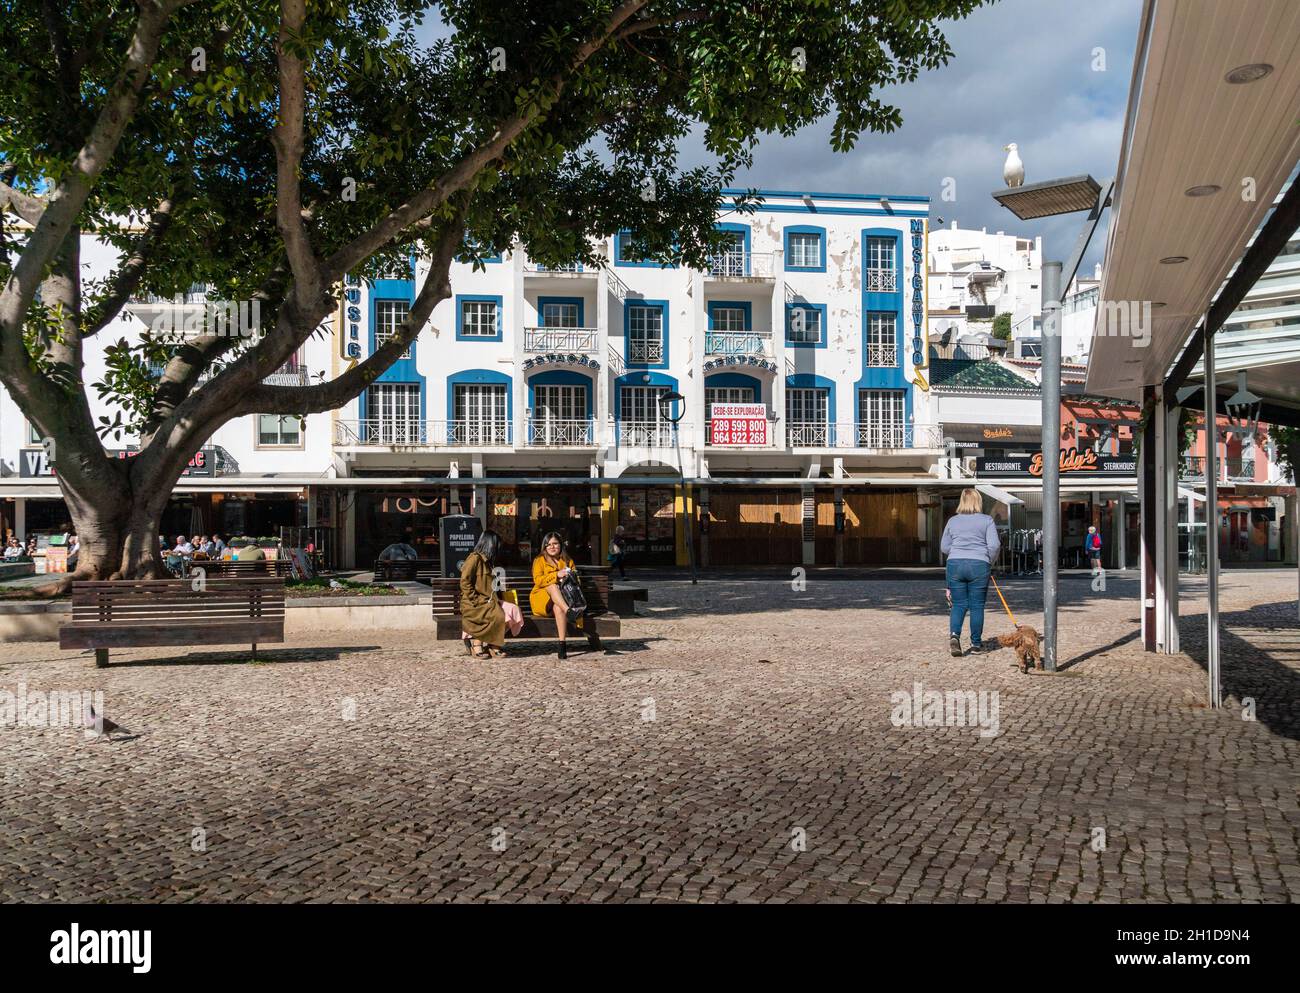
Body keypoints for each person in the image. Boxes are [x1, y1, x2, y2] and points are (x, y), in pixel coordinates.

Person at [939, 487, 1001, 657]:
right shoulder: (987, 520)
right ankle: (975, 643)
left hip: (955, 564)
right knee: (977, 605)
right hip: (979, 564)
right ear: (978, 502)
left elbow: (944, 547)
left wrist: (959, 551)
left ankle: (954, 636)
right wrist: (989, 560)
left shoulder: (952, 521)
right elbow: (994, 545)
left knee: (958, 604)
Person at [531, 531, 599, 660]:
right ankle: (569, 611)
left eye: (555, 543)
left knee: (558, 608)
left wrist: (568, 578)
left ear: (561, 545)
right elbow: (538, 580)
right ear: (544, 547)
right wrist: (556, 575)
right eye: (548, 544)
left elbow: (576, 581)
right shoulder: (539, 560)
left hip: (561, 601)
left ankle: (562, 644)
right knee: (552, 586)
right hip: (542, 600)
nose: (552, 547)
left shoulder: (568, 560)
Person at [459, 530, 522, 659]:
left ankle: (492, 643)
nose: (499, 548)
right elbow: (465, 582)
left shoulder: (490, 562)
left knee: (513, 610)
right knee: (497, 614)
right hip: (474, 603)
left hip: (491, 601)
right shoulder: (474, 558)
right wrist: (475, 600)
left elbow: (493, 586)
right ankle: (479, 644)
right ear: (490, 544)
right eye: (497, 545)